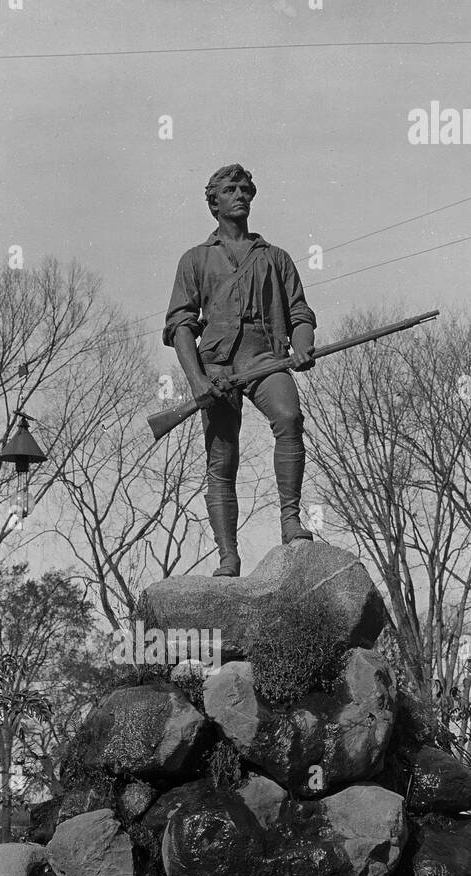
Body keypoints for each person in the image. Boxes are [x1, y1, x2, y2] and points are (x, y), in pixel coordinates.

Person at [163, 163, 317, 576]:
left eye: (246, 188)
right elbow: (179, 324)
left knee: (288, 417)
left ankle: (290, 520)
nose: (241, 195)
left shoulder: (276, 258)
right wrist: (197, 380)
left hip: (266, 357)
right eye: (230, 189)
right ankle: (228, 555)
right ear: (214, 202)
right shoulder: (194, 259)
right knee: (222, 459)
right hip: (216, 366)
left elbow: (299, 311)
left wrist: (302, 346)